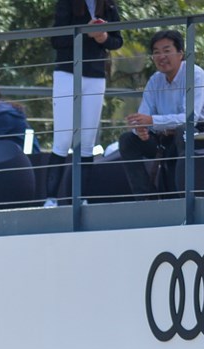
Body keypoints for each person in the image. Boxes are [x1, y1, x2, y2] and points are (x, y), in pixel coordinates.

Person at [118, 30, 204, 200]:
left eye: (167, 50)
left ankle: (183, 197)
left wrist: (153, 121)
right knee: (128, 140)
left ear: (180, 54)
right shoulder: (155, 80)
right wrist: (140, 129)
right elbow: (144, 116)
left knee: (182, 131)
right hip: (167, 136)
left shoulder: (194, 75)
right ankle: (147, 200)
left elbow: (189, 119)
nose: (161, 56)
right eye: (156, 52)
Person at [44, 0, 123, 206]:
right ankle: (51, 199)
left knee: (87, 142)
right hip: (67, 73)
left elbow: (117, 40)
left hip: (95, 75)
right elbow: (56, 40)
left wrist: (103, 37)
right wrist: (84, 31)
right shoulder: (67, 3)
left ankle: (81, 199)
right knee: (62, 139)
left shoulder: (109, 4)